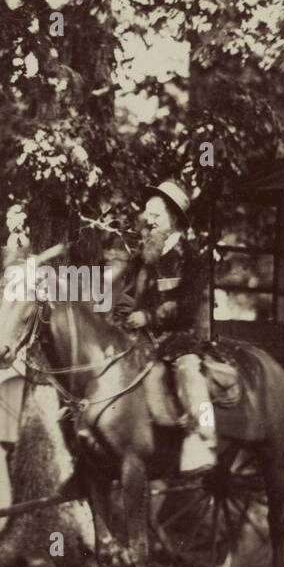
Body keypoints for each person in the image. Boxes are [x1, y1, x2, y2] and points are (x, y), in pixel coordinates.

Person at [113, 179, 216, 472]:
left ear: (173, 219)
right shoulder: (143, 257)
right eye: (148, 214)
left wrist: (150, 317)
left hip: (181, 338)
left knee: (191, 377)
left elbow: (189, 304)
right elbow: (125, 296)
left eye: (156, 215)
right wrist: (124, 318)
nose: (149, 220)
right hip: (142, 340)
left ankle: (204, 439)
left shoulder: (192, 257)